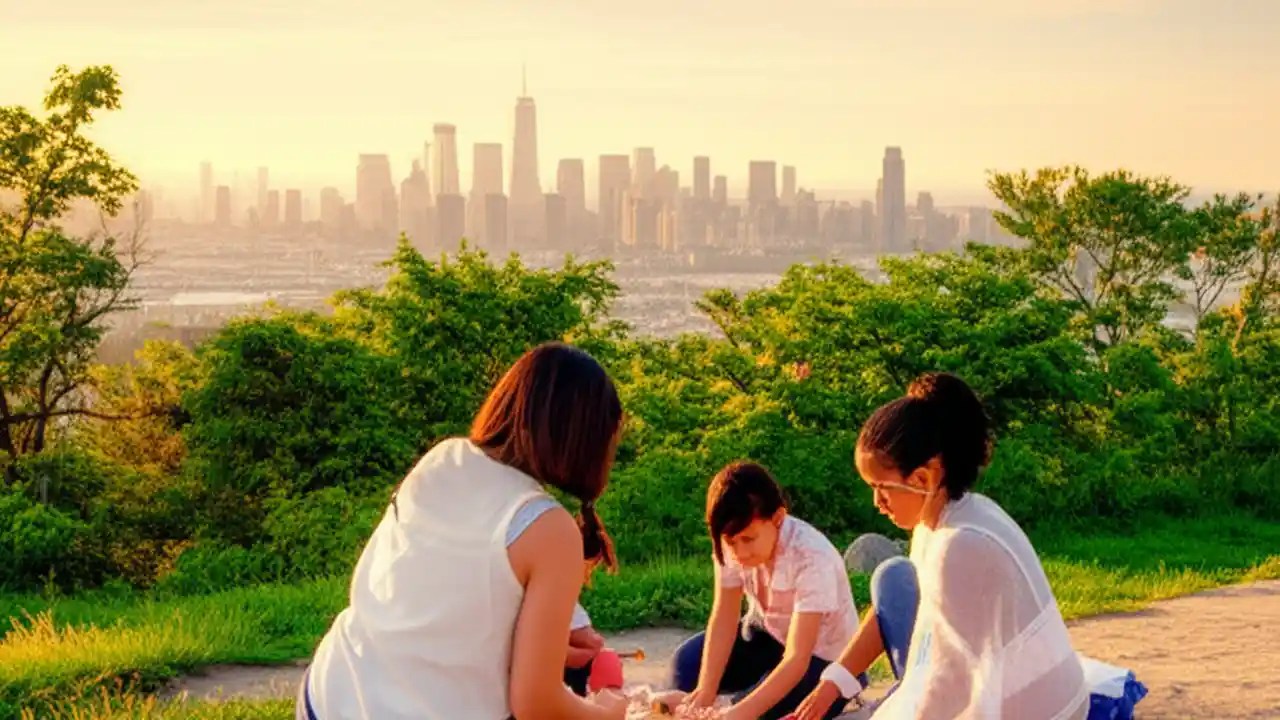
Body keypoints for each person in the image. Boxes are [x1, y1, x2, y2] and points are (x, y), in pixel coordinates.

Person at [299, 342, 629, 720]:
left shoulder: (443, 457)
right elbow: (537, 704)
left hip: (330, 694)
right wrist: (609, 711)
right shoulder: (547, 527)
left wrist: (542, 644)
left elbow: (438, 601)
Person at [793, 372, 1088, 720]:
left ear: (923, 477)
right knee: (892, 577)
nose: (876, 502)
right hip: (1029, 690)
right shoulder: (953, 516)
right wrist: (833, 684)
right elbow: (901, 621)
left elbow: (950, 685)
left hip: (1045, 712)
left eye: (882, 488)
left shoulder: (959, 546)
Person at [669, 462, 863, 720]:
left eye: (748, 539)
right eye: (731, 542)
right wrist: (705, 691)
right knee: (686, 666)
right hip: (769, 636)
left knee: (759, 711)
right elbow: (725, 616)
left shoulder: (812, 556)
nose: (740, 552)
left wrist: (736, 714)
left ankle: (847, 693)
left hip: (823, 658)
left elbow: (797, 658)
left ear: (778, 518)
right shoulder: (729, 542)